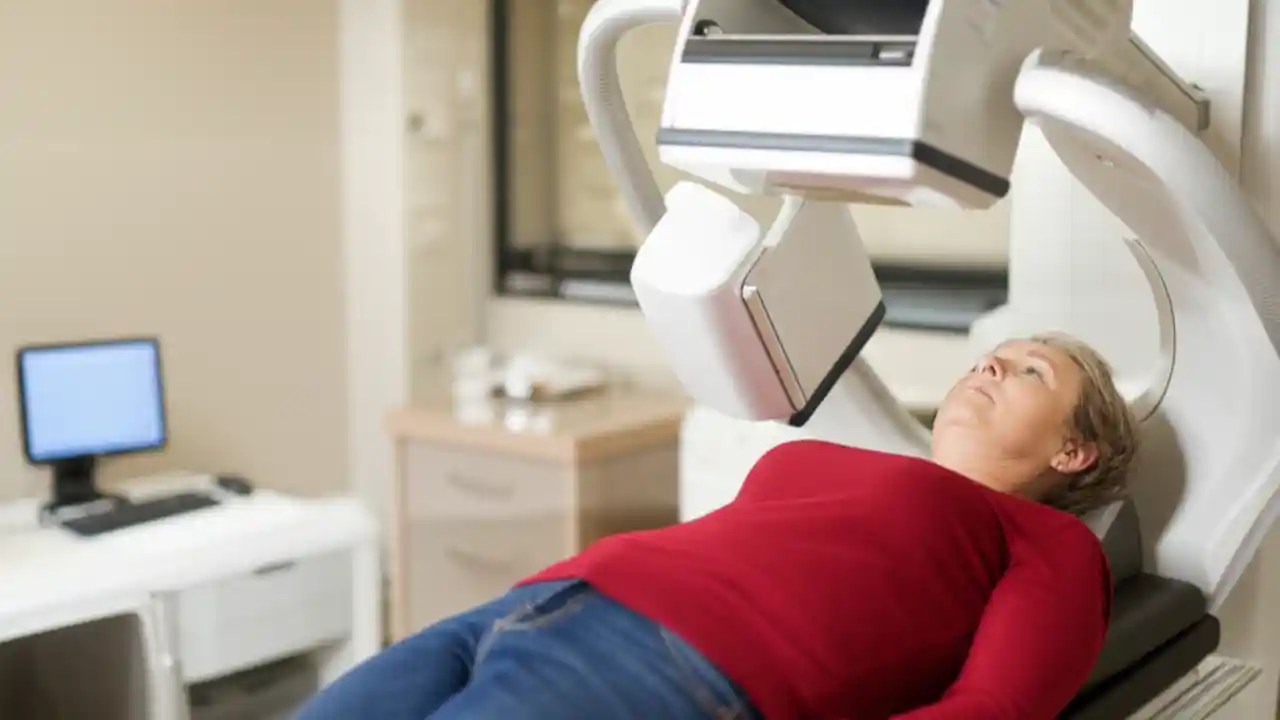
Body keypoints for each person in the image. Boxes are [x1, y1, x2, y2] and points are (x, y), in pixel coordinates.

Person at [297, 332, 1139, 720]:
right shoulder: (856, 462)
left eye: (1031, 370)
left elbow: (993, 707)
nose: (990, 362)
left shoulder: (1049, 544)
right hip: (542, 601)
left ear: (1074, 449)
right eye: (993, 353)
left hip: (677, 668)